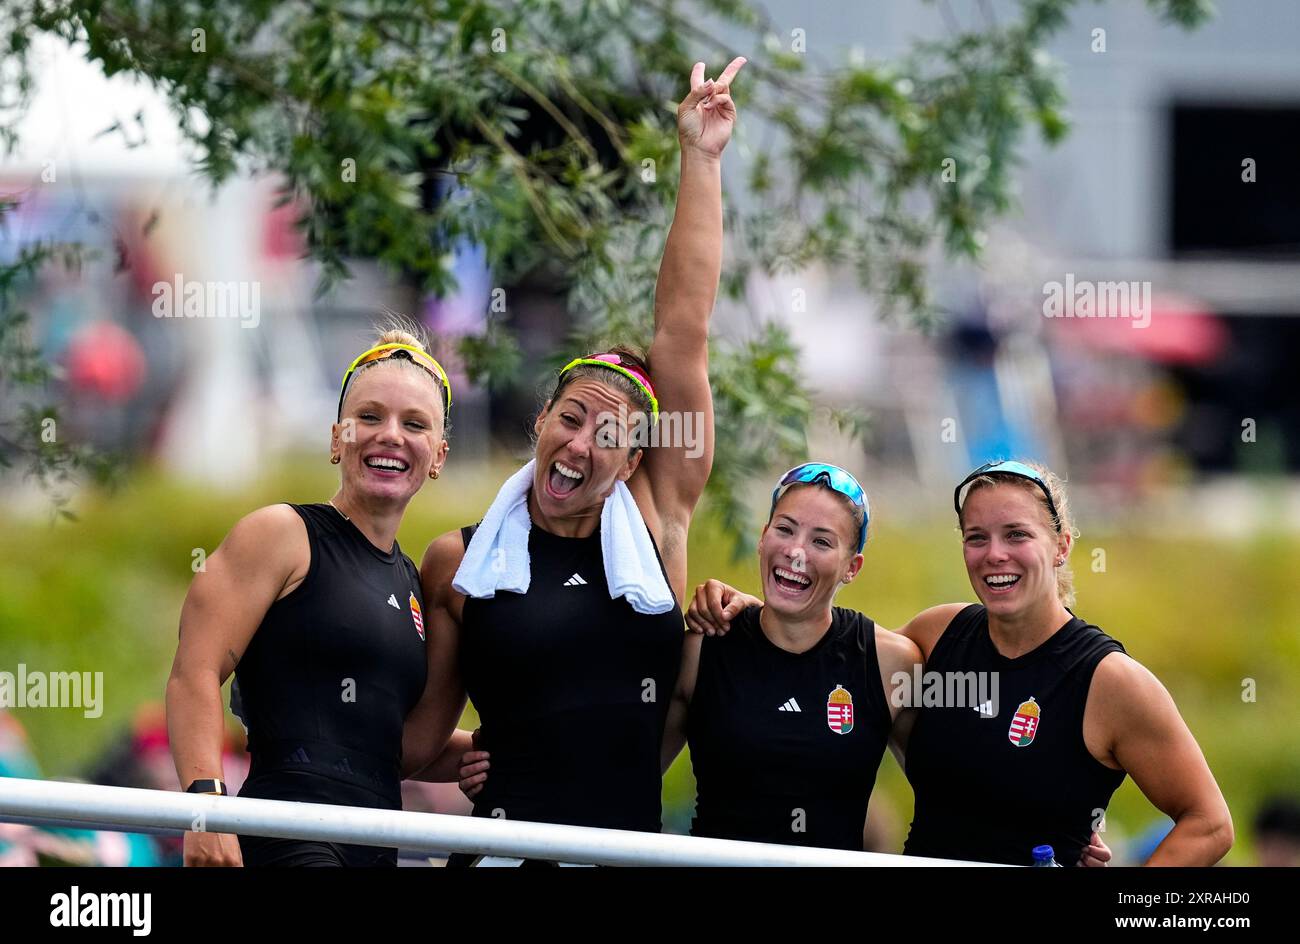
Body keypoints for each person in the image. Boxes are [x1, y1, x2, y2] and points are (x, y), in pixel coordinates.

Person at [419, 57, 746, 863]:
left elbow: (684, 330)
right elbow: (414, 741)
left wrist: (699, 160)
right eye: (570, 419)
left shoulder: (658, 518)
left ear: (639, 457)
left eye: (608, 435)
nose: (579, 444)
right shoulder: (460, 562)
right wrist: (466, 753)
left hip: (624, 853)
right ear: (540, 420)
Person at [686, 459, 1232, 866]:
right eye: (977, 538)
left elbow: (1208, 825)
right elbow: (826, 660)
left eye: (1017, 534)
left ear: (1062, 545)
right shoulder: (940, 633)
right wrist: (756, 612)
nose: (995, 554)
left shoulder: (1108, 681)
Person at [166, 323, 472, 867]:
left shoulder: (412, 584)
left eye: (414, 423)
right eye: (370, 416)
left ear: (439, 453)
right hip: (287, 836)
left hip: (374, 845)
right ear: (337, 438)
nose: (390, 435)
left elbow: (392, 742)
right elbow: (195, 671)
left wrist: (510, 752)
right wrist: (205, 806)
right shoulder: (282, 535)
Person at [664, 463, 921, 851]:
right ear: (763, 538)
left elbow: (949, 800)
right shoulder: (703, 650)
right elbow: (629, 785)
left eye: (822, 542)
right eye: (784, 530)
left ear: (852, 567)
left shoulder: (890, 664)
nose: (796, 552)